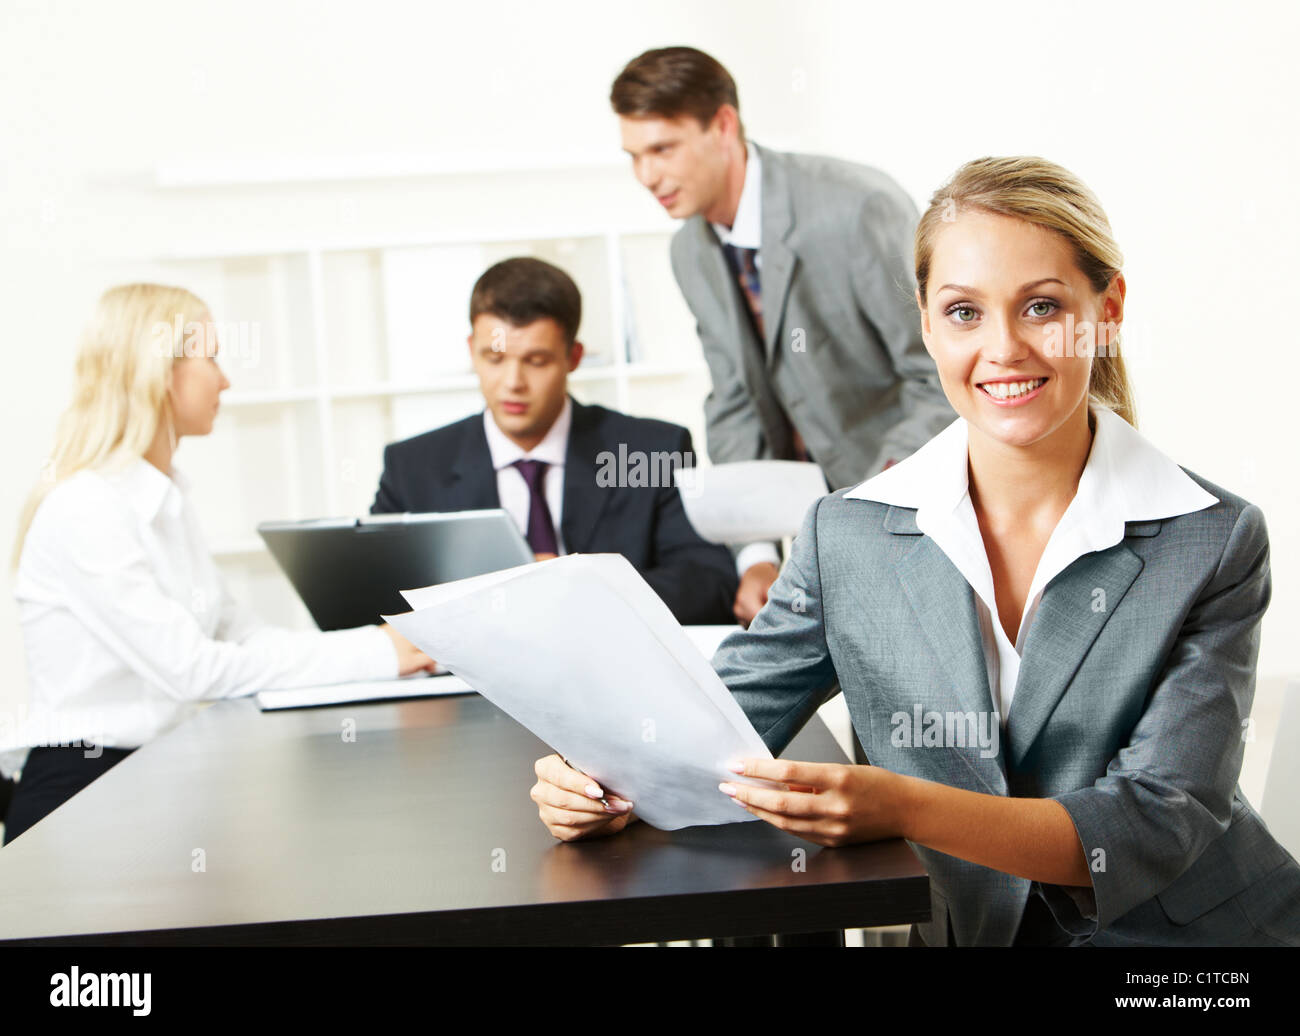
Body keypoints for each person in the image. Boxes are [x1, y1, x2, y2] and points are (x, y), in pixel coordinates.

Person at [529, 157, 1300, 946]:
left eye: (1041, 306)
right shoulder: (848, 534)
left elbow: (1153, 825)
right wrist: (592, 779)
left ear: (1107, 311)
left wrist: (902, 806)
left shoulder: (1212, 537)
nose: (1002, 348)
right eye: (964, 312)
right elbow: (708, 727)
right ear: (927, 326)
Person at [2, 284, 434, 844]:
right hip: (82, 794)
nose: (224, 379)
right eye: (210, 356)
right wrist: (377, 651)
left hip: (148, 782)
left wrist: (383, 649)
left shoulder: (165, 503)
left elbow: (245, 638)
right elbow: (194, 671)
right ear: (159, 371)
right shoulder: (88, 508)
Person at [611, 46, 955, 625]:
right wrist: (753, 552)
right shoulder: (689, 251)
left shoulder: (857, 206)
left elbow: (942, 374)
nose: (647, 176)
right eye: (634, 156)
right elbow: (735, 404)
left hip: (921, 511)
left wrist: (866, 506)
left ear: (722, 126)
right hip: (815, 538)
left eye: (662, 149)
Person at [371, 257, 739, 625]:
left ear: (573, 357)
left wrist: (582, 587)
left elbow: (709, 583)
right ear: (471, 350)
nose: (513, 382)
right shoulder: (412, 467)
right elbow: (372, 599)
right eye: (494, 358)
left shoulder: (649, 451)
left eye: (536, 361)